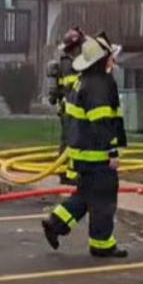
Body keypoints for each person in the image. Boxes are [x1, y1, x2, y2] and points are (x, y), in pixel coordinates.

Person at [41, 32, 127, 258]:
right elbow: (101, 122)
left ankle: (56, 223)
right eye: (110, 56)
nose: (113, 60)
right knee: (104, 197)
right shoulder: (99, 84)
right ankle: (102, 245)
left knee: (86, 194)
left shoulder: (83, 81)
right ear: (101, 60)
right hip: (96, 154)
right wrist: (112, 151)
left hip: (81, 152)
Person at [46, 27, 85, 185]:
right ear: (75, 47)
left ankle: (64, 173)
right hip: (71, 108)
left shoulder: (65, 62)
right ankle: (70, 174)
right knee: (73, 142)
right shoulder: (72, 64)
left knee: (67, 141)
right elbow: (74, 87)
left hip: (66, 108)